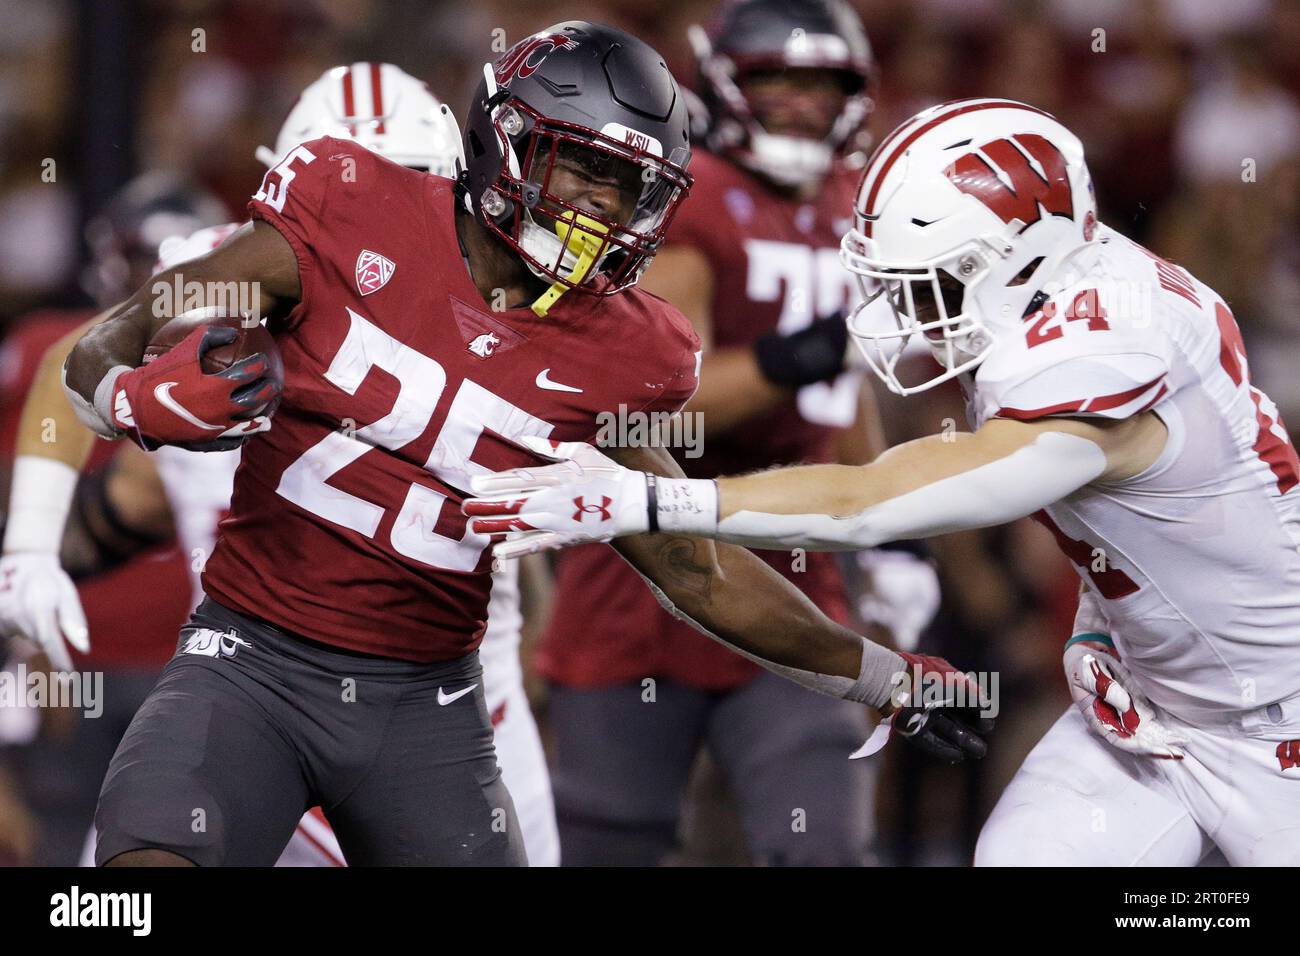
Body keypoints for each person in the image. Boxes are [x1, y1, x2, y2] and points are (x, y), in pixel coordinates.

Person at [61, 23, 981, 867]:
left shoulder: (628, 349)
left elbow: (695, 566)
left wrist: (882, 676)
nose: (599, 209)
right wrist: (130, 397)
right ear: (506, 141)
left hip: (426, 709)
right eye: (580, 169)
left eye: (628, 188)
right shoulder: (348, 207)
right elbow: (113, 338)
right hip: (249, 663)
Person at [465, 97, 1300, 865]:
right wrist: (1106, 623)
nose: (907, 318)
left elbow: (871, 499)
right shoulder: (1068, 277)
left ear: (1019, 261)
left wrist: (653, 499)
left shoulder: (1097, 349)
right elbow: (1133, 512)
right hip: (1152, 712)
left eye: (931, 285)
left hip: (1279, 727)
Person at [534, 0, 918, 866]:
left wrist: (897, 542)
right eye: (776, 78)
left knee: (822, 841)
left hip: (788, 566)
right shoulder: (693, 191)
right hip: (645, 563)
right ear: (726, 83)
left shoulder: (852, 203)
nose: (800, 101)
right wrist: (804, 351)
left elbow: (840, 404)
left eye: (821, 83)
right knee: (612, 842)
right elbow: (661, 396)